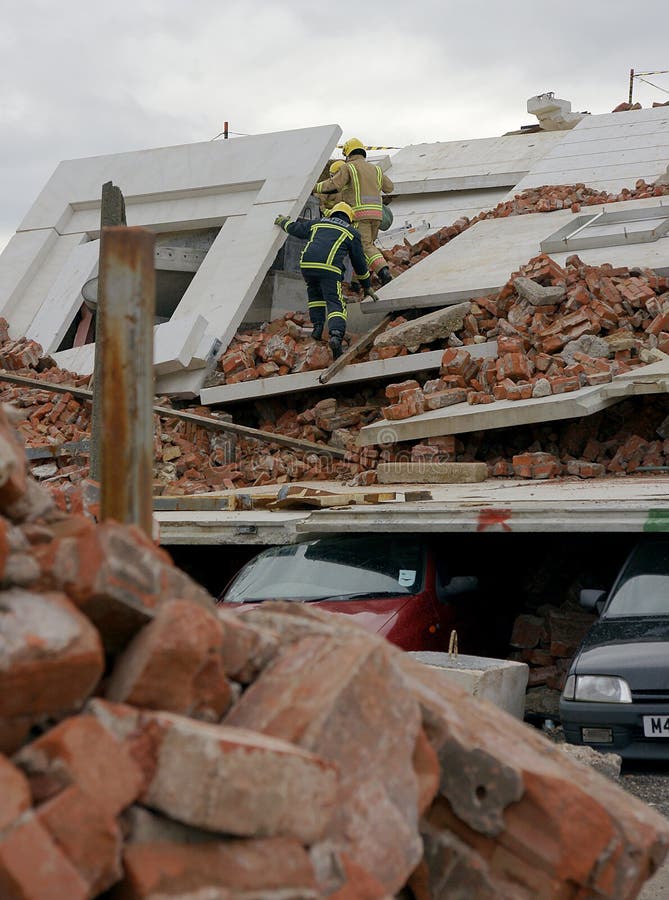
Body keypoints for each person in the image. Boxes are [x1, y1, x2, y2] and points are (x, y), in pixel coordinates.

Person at [274, 202, 378, 359]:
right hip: (329, 268)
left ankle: (317, 328)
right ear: (350, 218)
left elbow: (296, 229)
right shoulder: (351, 233)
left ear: (333, 213)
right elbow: (359, 262)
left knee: (316, 296)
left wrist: (282, 221)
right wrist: (367, 286)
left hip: (307, 266)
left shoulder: (318, 223)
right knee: (335, 302)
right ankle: (336, 336)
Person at [314, 137, 394, 287]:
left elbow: (334, 184)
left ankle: (384, 272)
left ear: (348, 154)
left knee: (365, 246)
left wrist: (313, 187)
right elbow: (389, 187)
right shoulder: (376, 169)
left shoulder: (348, 167)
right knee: (364, 247)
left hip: (360, 215)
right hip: (377, 215)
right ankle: (358, 282)